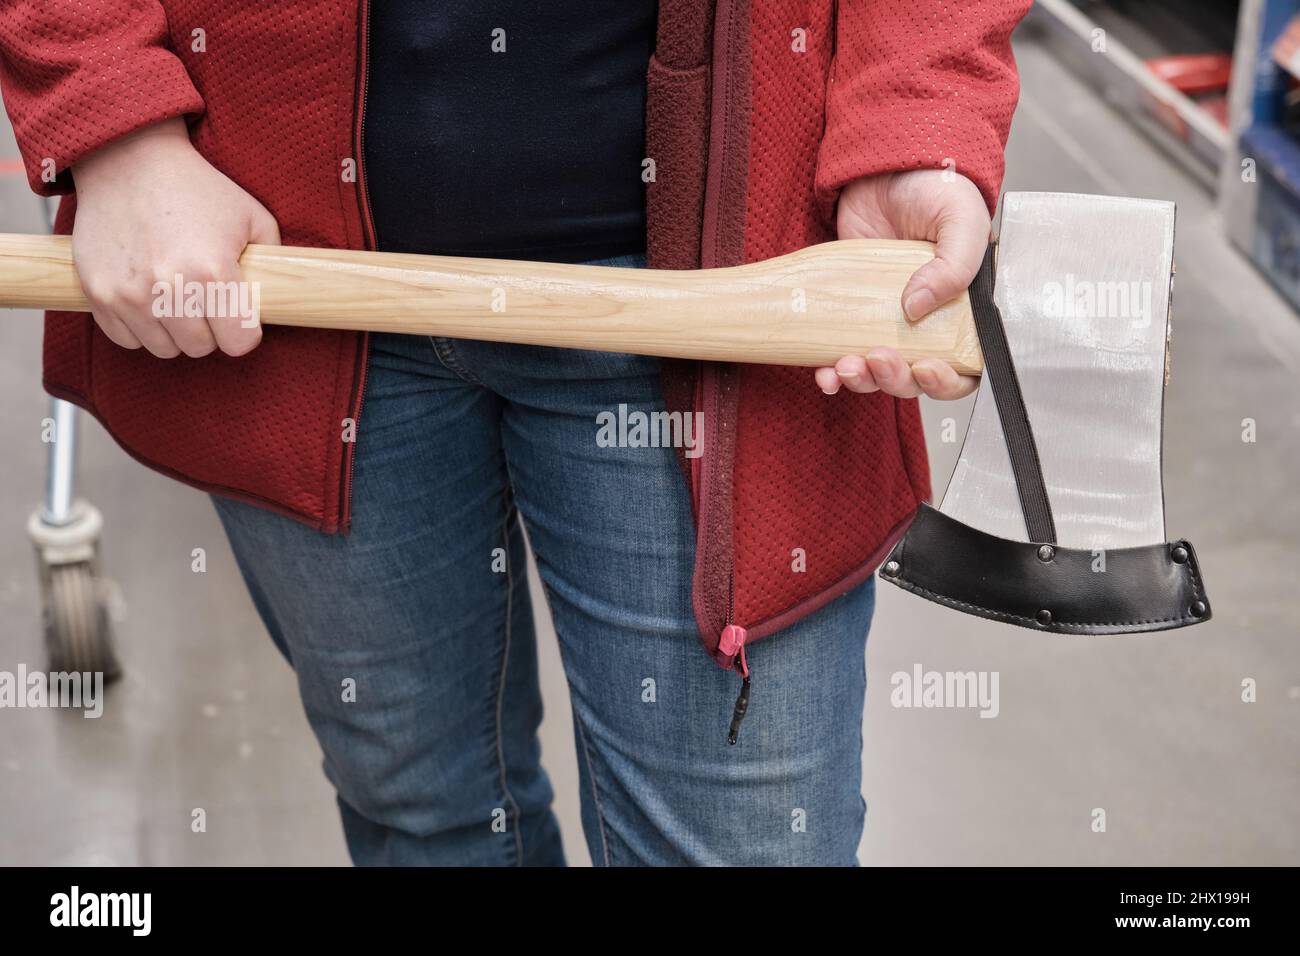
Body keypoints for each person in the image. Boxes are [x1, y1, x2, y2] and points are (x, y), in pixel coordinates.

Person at [0, 0, 1031, 865]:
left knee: (743, 845)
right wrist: (114, 115)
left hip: (726, 284)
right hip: (283, 265)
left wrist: (916, 104)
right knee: (423, 819)